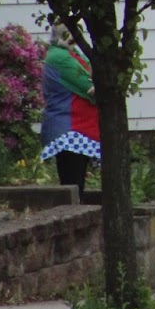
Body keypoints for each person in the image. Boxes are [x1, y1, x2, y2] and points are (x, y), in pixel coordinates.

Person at [40, 29, 100, 196]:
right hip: (70, 131)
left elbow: (97, 74)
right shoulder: (60, 57)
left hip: (81, 129)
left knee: (77, 185)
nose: (80, 36)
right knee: (72, 187)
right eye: (76, 32)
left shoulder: (74, 53)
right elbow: (91, 86)